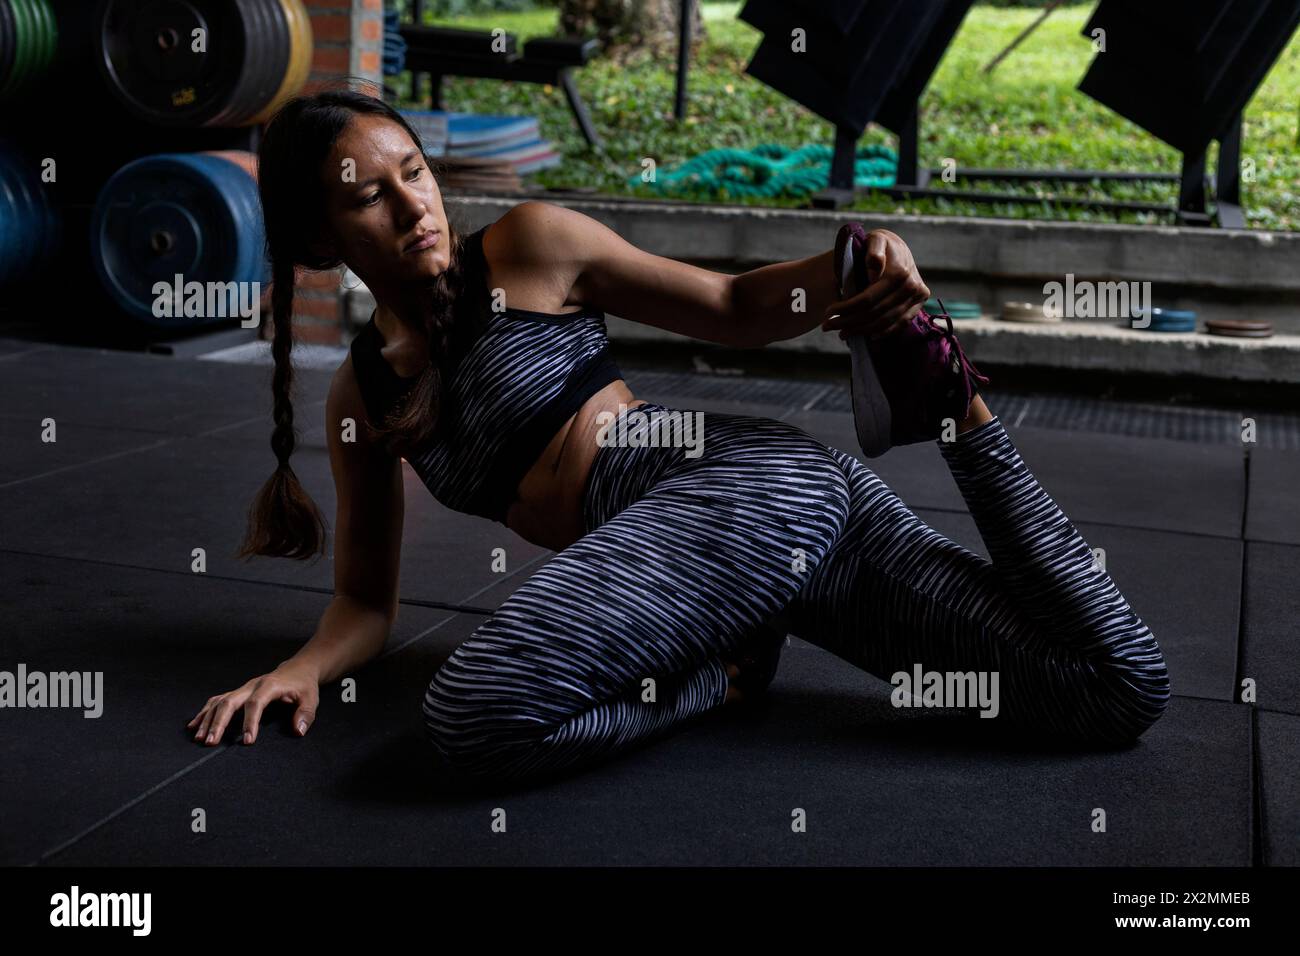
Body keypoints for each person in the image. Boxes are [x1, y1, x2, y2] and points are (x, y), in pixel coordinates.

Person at [187, 89, 1170, 786]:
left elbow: (737, 304)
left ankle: (951, 407)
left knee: (469, 711)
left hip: (747, 486)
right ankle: (739, 637)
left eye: (415, 172)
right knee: (1106, 691)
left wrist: (852, 264)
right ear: (318, 241)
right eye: (370, 196)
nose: (414, 207)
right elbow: (364, 599)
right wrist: (299, 668)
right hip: (731, 564)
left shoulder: (529, 244)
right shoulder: (360, 395)